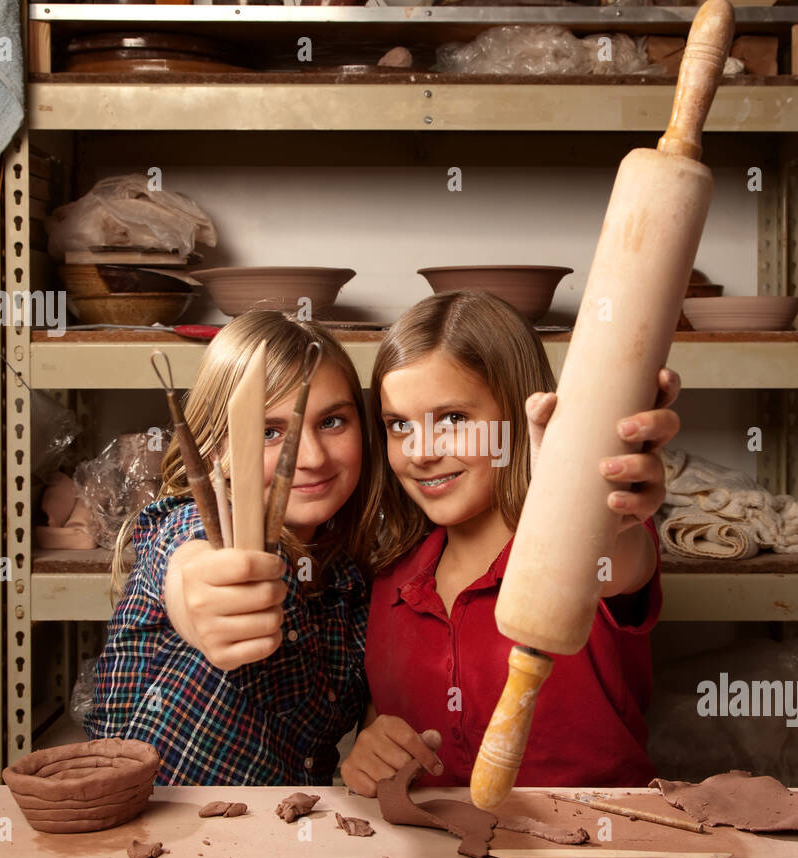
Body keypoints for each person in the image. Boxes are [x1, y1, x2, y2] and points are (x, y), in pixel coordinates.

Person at [343, 291, 678, 795]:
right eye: (399, 426)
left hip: (601, 855)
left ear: (522, 417)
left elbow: (613, 556)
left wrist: (603, 502)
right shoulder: (390, 580)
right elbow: (380, 733)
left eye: (453, 419)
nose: (421, 452)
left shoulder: (592, 547)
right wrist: (365, 753)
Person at [85, 312, 379, 786]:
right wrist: (208, 602)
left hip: (273, 841)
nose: (311, 458)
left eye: (332, 421)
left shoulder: (352, 580)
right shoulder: (189, 526)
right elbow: (188, 563)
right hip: (154, 843)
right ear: (214, 448)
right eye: (268, 431)